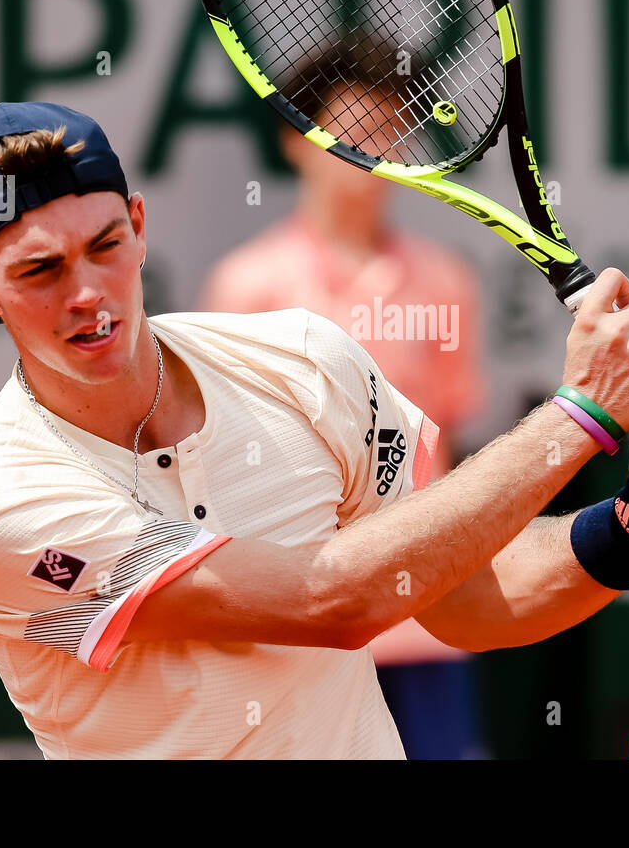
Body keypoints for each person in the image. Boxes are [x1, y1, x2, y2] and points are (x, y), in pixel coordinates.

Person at [0, 101, 629, 759]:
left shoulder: (305, 360)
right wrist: (582, 416)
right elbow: (332, 602)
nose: (87, 293)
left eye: (105, 246)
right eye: (40, 270)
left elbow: (462, 597)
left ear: (139, 226)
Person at [197, 54, 490, 758]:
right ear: (296, 139)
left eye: (389, 127)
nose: (371, 147)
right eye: (350, 126)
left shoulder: (447, 282)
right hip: (305, 628)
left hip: (427, 620)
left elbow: (447, 444)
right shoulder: (245, 289)